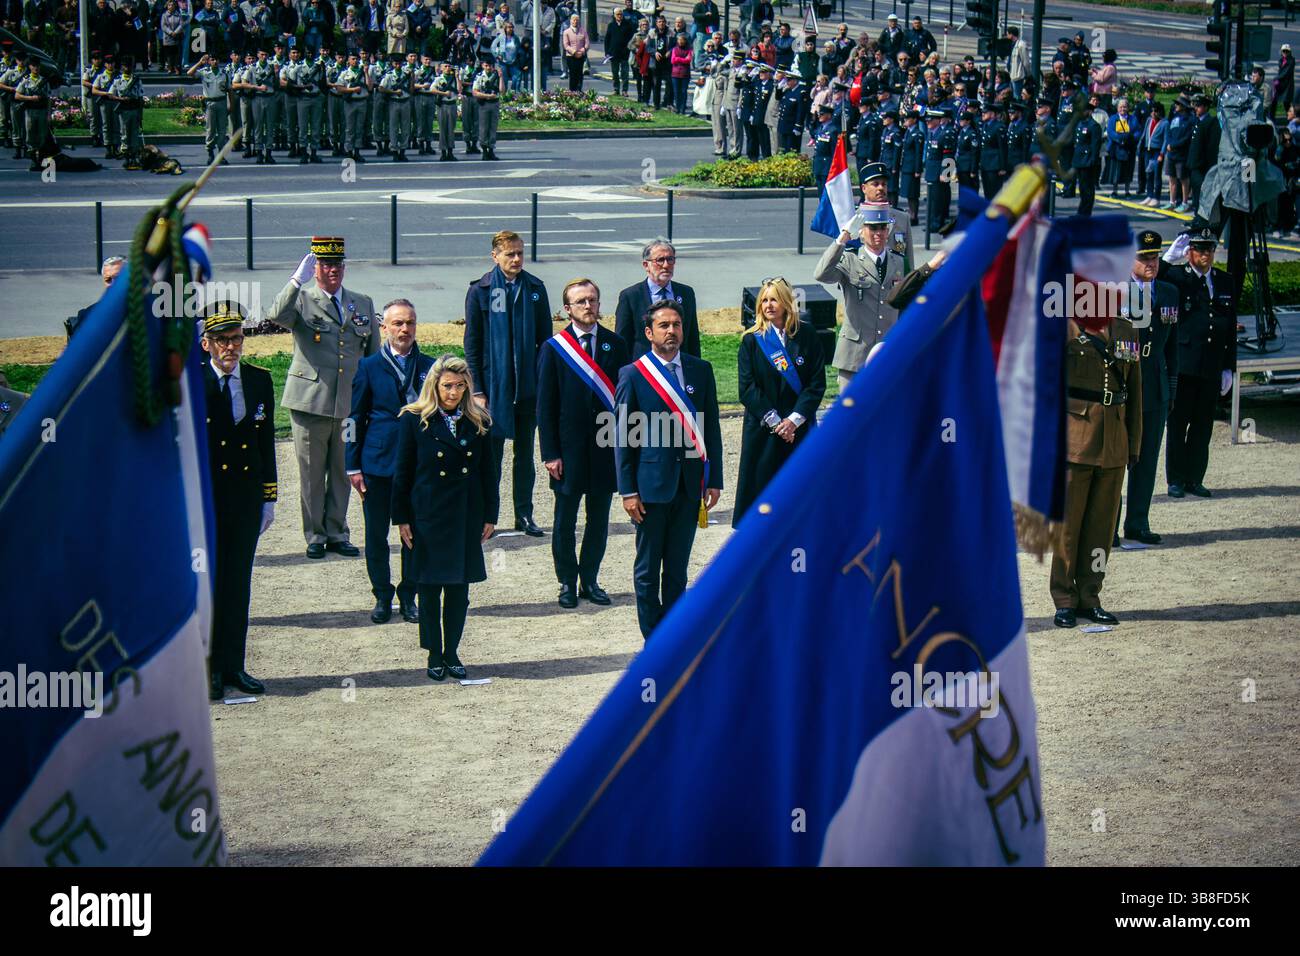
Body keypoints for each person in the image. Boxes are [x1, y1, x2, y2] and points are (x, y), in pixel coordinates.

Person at [614, 300, 723, 640]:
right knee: (648, 570)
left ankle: (674, 637)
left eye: (676, 324)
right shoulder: (633, 375)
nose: (672, 331)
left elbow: (711, 428)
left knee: (677, 570)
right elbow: (622, 437)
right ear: (649, 332)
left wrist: (714, 479)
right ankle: (653, 638)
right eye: (664, 325)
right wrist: (628, 490)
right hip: (650, 487)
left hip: (690, 486)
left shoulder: (700, 370)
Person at [267, 236, 377, 557]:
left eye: (337, 265)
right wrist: (294, 280)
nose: (333, 271)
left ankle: (337, 531)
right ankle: (315, 536)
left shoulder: (362, 303)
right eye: (326, 264)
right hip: (310, 402)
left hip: (348, 405)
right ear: (315, 268)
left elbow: (371, 358)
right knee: (313, 475)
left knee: (343, 472)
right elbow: (276, 314)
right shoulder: (301, 300)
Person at [392, 354, 498, 682]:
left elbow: (488, 474)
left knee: (458, 592)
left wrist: (490, 516)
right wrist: (402, 519)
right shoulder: (414, 419)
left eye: (459, 386)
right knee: (429, 589)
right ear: (434, 386)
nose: (453, 393)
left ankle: (452, 651)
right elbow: (402, 473)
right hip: (426, 517)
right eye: (447, 386)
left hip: (465, 515)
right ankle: (434, 653)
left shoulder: (479, 421)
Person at [536, 278, 631, 608]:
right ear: (567, 310)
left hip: (605, 448)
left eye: (592, 300)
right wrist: (550, 453)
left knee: (599, 519)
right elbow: (545, 406)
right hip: (568, 449)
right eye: (581, 302)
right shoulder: (554, 348)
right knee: (565, 521)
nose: (589, 306)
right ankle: (566, 581)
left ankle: (590, 578)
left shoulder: (615, 344)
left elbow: (623, 399)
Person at [1050, 290, 1142, 629]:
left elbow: (1135, 391)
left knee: (1101, 529)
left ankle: (1091, 595)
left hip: (1113, 441)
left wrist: (1133, 443)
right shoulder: (1066, 329)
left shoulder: (1128, 330)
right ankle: (1063, 598)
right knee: (1068, 527)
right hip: (1075, 438)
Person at [200, 306, 278, 701]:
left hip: (245, 499)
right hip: (207, 501)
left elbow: (266, 445)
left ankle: (235, 664)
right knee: (210, 585)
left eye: (236, 339)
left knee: (238, 584)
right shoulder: (191, 384)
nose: (230, 347)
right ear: (207, 344)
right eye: (222, 341)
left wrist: (269, 496)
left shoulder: (258, 381)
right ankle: (210, 668)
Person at [347, 298, 433, 625]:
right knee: (376, 534)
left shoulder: (429, 365)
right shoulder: (368, 366)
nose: (404, 329)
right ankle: (382, 595)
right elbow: (353, 418)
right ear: (384, 328)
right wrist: (352, 465)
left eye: (409, 323)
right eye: (397, 323)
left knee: (414, 533)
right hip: (377, 462)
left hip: (417, 463)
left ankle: (409, 594)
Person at [464, 229, 551, 537]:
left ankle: (524, 514)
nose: (516, 259)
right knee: (492, 457)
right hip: (493, 389)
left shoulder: (535, 289)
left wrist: (543, 386)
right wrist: (477, 391)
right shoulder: (481, 291)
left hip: (527, 389)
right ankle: (488, 516)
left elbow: (546, 344)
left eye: (519, 253)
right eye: (509, 254)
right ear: (495, 256)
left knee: (525, 456)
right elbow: (472, 346)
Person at [732, 278, 825, 526]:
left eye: (774, 299)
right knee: (762, 494)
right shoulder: (752, 340)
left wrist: (793, 421)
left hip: (798, 428)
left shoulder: (807, 335)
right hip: (764, 430)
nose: (768, 305)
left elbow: (816, 384)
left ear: (786, 302)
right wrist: (776, 422)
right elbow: (747, 388)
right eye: (764, 300)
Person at [1160, 228, 1235, 499]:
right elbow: (1152, 281)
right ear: (1189, 252)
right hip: (1185, 366)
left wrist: (1230, 366)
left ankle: (1195, 478)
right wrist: (1169, 258)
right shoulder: (1178, 278)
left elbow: (1229, 328)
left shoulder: (1224, 281)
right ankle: (1176, 480)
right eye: (1200, 250)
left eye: (1209, 250)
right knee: (1179, 424)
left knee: (1203, 426)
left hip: (1211, 365)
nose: (1205, 255)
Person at [1121, 231, 1178, 546]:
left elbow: (1172, 351)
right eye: (1144, 257)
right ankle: (1108, 526)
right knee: (1115, 462)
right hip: (1123, 389)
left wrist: (1171, 387)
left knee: (1146, 460)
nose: (1150, 263)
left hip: (1155, 388)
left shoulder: (1169, 293)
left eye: (1154, 257)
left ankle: (1138, 522)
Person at [814, 203, 903, 391]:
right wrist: (842, 239)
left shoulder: (899, 261)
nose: (878, 232)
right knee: (851, 414)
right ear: (861, 231)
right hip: (855, 354)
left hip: (888, 351)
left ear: (888, 231)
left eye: (882, 227)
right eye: (872, 227)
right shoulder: (849, 259)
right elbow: (821, 274)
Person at [614, 239, 701, 360]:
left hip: (679, 365)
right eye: (660, 260)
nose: (666, 265)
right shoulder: (630, 296)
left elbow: (692, 338)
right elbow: (622, 341)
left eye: (670, 259)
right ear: (646, 265)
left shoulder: (686, 293)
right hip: (645, 370)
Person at [859, 161, 914, 273]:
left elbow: (908, 257)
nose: (880, 188)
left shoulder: (901, 218)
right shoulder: (855, 218)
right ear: (864, 188)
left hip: (896, 281)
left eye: (884, 184)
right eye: (875, 184)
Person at [68, 256, 126, 338]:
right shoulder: (88, 315)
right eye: (108, 280)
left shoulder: (147, 310)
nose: (112, 284)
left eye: (117, 278)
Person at [471, 58, 502, 161]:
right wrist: (487, 96)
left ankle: (491, 150)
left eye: (490, 66)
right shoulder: (479, 76)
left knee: (493, 127)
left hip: (494, 103)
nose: (488, 68)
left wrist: (501, 77)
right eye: (486, 65)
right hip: (484, 103)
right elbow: (475, 92)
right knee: (484, 128)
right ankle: (484, 151)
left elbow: (502, 90)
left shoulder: (496, 76)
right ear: (483, 66)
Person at [1106, 97, 1135, 198]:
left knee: (1128, 170)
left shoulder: (1132, 118)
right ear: (1117, 108)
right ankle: (1115, 191)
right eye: (1121, 107)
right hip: (1116, 148)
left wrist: (1128, 138)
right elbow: (1110, 131)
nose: (1123, 109)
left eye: (1125, 107)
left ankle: (1127, 191)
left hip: (1128, 148)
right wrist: (1120, 139)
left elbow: (1137, 131)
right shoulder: (1113, 118)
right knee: (1116, 171)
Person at [605, 5, 635, 96]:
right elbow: (607, 39)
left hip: (624, 53)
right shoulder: (611, 25)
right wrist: (607, 52)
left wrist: (629, 50)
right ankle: (616, 89)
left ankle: (624, 90)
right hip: (613, 53)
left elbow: (631, 39)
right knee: (615, 73)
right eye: (617, 14)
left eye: (621, 14)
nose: (619, 16)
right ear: (614, 15)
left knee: (624, 73)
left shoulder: (628, 25)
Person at [562, 12, 588, 91]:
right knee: (573, 74)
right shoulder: (566, 32)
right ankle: (572, 90)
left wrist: (582, 51)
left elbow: (587, 43)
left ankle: (579, 90)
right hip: (571, 56)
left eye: (577, 20)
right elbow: (566, 45)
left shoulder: (583, 31)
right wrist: (574, 52)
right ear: (571, 21)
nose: (575, 22)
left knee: (580, 74)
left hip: (581, 55)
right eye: (574, 20)